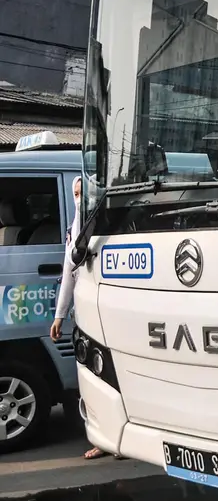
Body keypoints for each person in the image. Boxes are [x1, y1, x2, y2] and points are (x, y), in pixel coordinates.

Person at [49, 177, 118, 461]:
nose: (78, 199)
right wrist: (59, 316)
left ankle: (115, 438)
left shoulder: (105, 228)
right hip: (83, 315)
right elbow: (69, 273)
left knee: (108, 378)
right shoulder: (74, 232)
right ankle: (102, 436)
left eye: (82, 194)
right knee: (88, 378)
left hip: (104, 314)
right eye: (74, 194)